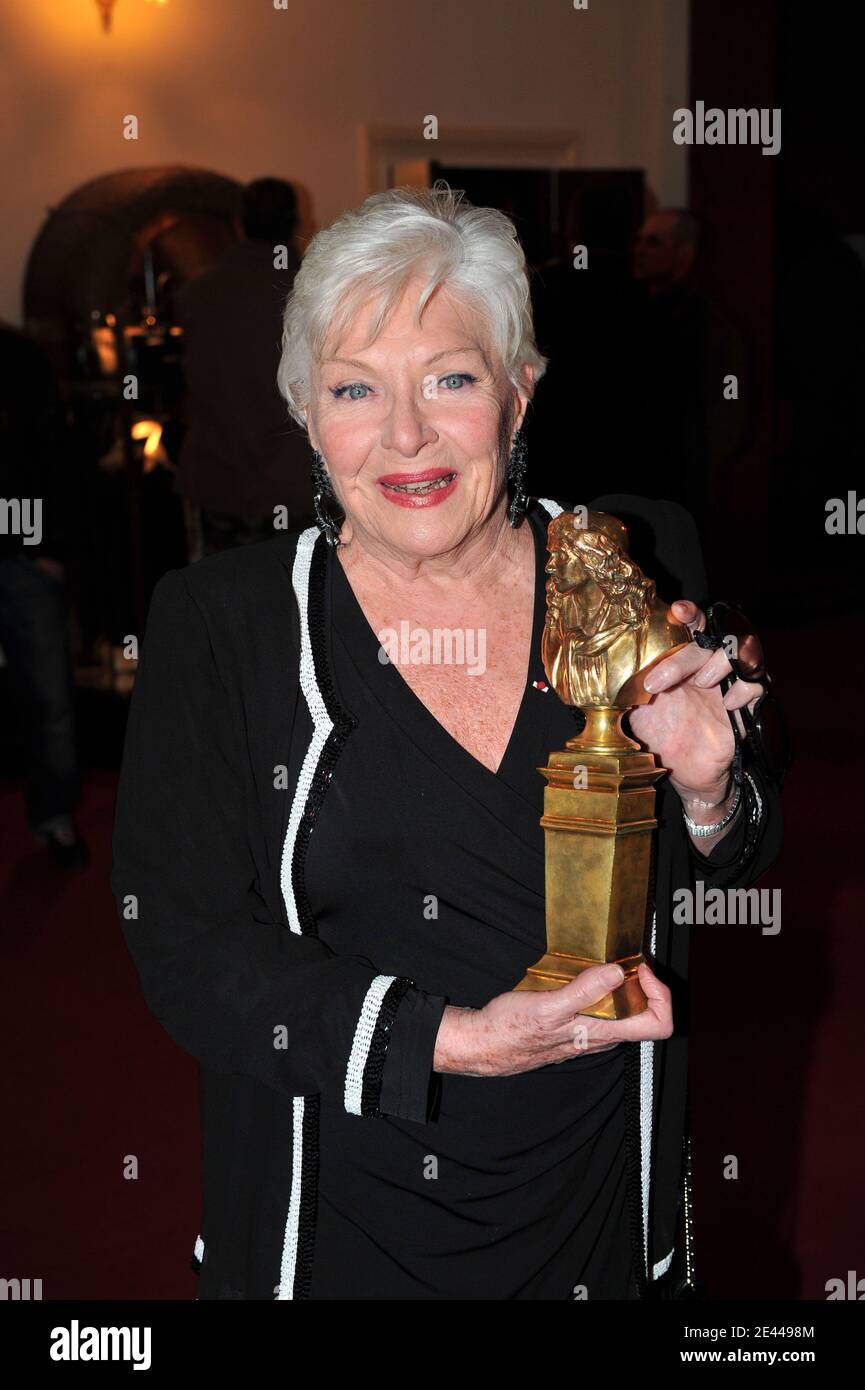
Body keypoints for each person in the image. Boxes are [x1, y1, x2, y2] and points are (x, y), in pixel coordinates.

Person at [111, 184, 783, 1300]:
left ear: (520, 395)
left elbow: (741, 845)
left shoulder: (632, 563)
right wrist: (452, 1039)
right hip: (341, 1208)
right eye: (354, 389)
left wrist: (712, 785)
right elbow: (182, 944)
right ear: (304, 414)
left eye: (451, 379)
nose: (406, 434)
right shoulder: (220, 623)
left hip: (595, 1196)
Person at [173, 177, 315, 557]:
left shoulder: (197, 294)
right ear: (297, 224)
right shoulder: (315, 290)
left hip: (221, 482)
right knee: (302, 605)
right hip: (297, 484)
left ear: (239, 225)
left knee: (222, 607)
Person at [0, 323, 88, 869]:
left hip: (20, 556)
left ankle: (55, 816)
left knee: (49, 698)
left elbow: (49, 452)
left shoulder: (16, 356)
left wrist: (44, 545)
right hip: (25, 553)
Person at [631, 209, 747, 528]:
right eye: (638, 240)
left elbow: (730, 407)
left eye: (653, 242)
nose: (639, 249)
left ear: (684, 253)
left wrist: (704, 463)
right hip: (635, 478)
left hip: (680, 483)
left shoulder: (709, 326)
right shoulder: (633, 312)